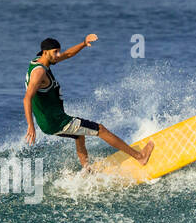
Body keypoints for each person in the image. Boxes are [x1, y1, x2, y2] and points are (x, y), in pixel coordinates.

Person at [23, 35, 153, 168]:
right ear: (45, 52)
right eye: (55, 52)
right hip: (57, 122)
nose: (58, 54)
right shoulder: (39, 73)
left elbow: (67, 55)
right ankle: (140, 157)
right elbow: (27, 98)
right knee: (101, 130)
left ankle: (87, 170)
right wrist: (30, 125)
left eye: (58, 51)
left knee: (79, 136)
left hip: (48, 122)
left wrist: (84, 43)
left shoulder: (39, 61)